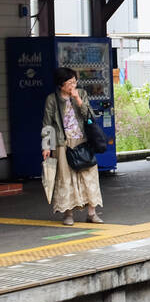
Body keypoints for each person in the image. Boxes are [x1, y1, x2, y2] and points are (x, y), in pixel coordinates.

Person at [42, 66, 104, 226]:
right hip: (62, 143)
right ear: (61, 84)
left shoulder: (81, 94)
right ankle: (68, 214)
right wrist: (46, 146)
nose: (73, 85)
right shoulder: (52, 99)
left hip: (82, 140)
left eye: (74, 81)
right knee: (66, 177)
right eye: (70, 82)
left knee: (89, 176)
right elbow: (47, 124)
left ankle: (92, 213)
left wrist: (77, 99)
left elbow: (89, 116)